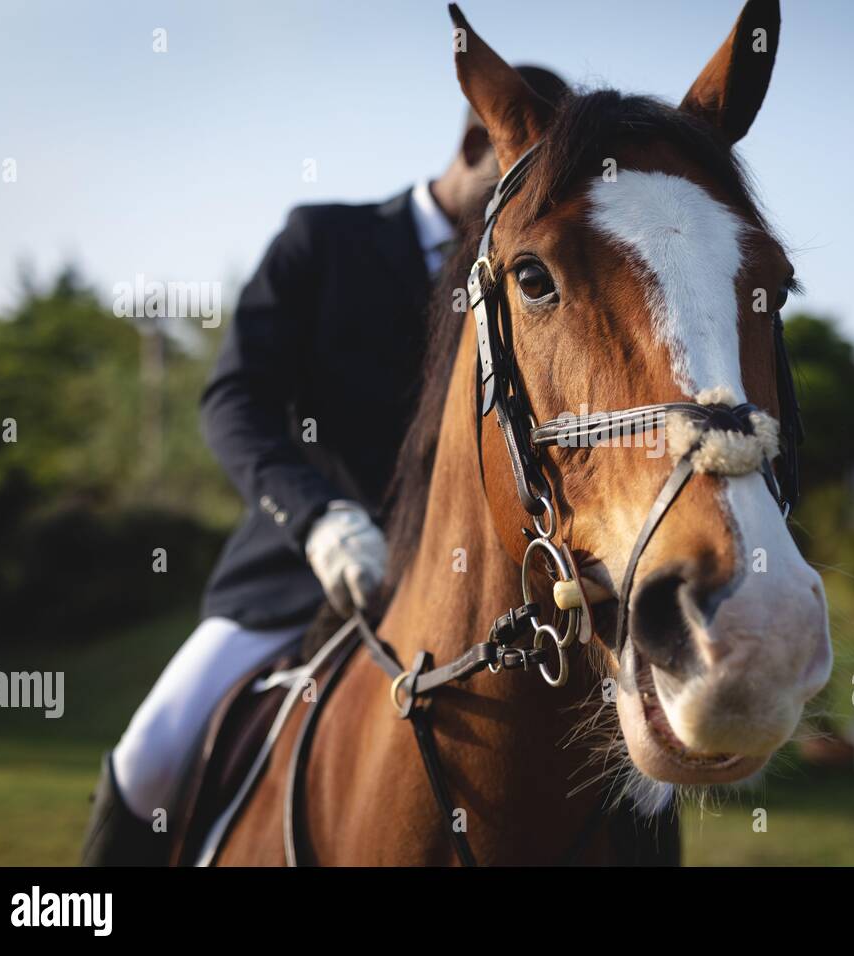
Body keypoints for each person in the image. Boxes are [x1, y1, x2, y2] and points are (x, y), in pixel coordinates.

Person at [80, 65, 569, 866]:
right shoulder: (324, 240)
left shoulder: (522, 276)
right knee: (148, 758)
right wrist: (318, 518)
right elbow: (233, 401)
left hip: (472, 599)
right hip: (295, 574)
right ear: (477, 141)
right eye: (520, 177)